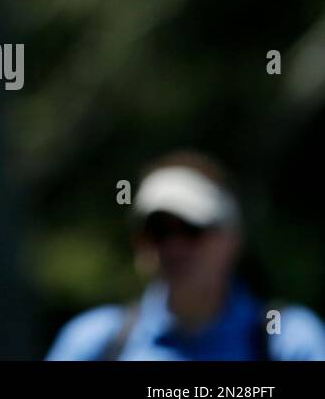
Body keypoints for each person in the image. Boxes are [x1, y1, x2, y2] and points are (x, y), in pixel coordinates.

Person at [46, 150, 325, 361]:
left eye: (192, 230)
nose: (174, 247)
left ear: (232, 239)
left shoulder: (289, 340)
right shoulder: (94, 341)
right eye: (158, 231)